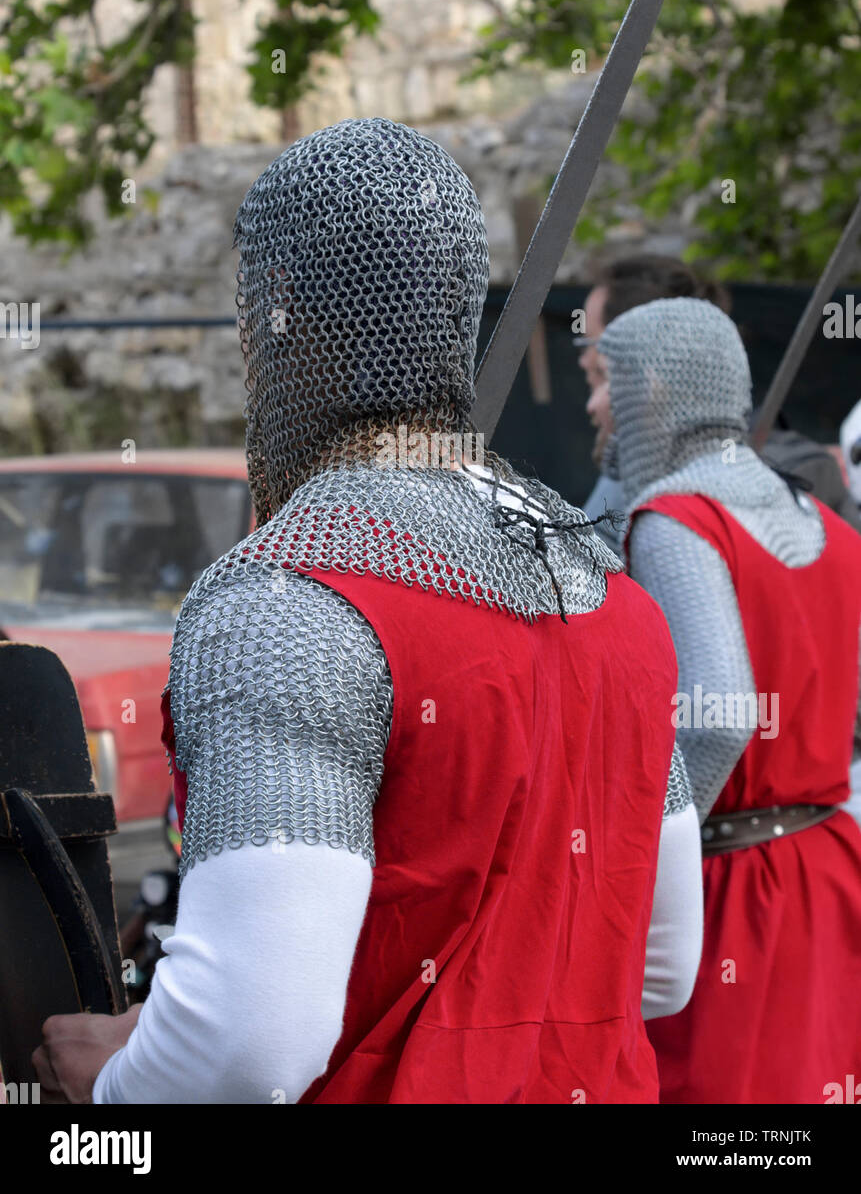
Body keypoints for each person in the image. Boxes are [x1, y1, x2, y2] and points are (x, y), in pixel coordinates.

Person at [33, 118, 701, 1105]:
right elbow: (666, 963)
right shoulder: (606, 585)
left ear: (280, 319)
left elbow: (254, 1044)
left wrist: (125, 1080)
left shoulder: (286, 601)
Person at [599, 296, 861, 1104]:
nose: (593, 406)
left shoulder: (677, 522)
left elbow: (717, 721)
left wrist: (635, 860)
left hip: (729, 888)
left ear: (650, 389)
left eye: (603, 382)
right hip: (824, 865)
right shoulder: (831, 528)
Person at [578, 255, 861, 549]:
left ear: (649, 366)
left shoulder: (675, 505)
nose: (584, 361)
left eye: (592, 347)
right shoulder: (637, 470)